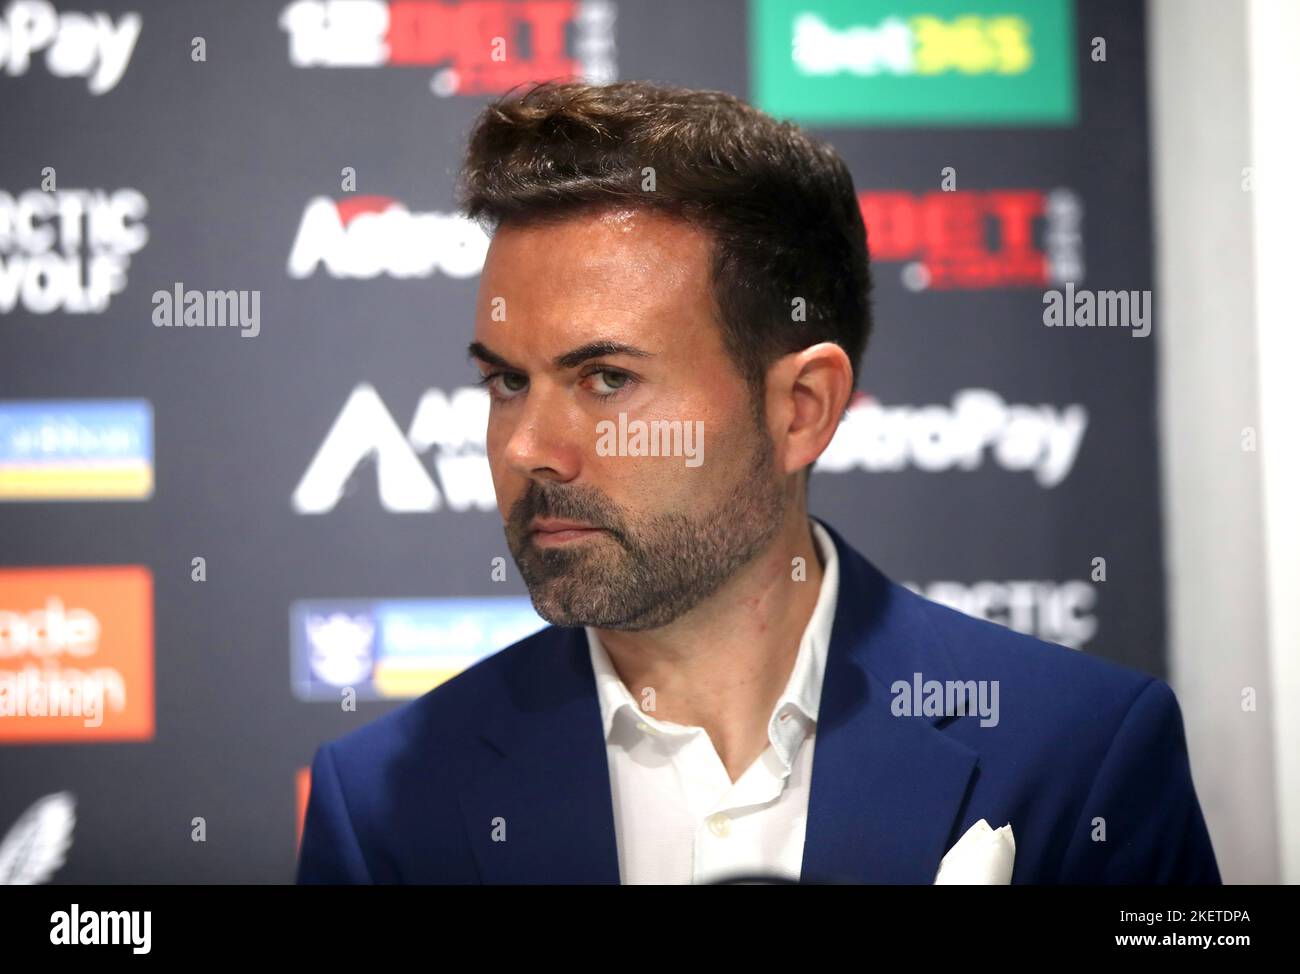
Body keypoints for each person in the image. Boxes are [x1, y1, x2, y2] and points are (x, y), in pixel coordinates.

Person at [297, 80, 1219, 885]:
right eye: (507, 381)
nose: (529, 447)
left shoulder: (1080, 751)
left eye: (607, 380)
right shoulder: (385, 802)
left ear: (800, 410)